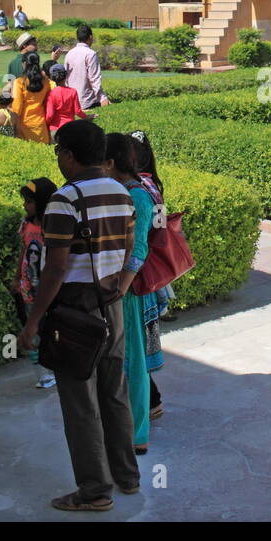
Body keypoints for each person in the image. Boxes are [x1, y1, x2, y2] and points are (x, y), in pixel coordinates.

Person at [19, 120, 139, 512]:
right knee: (114, 392)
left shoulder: (64, 199)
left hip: (74, 310)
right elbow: (129, 249)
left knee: (80, 403)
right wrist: (113, 284)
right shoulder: (121, 192)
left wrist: (33, 322)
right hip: (111, 303)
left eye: (58, 152)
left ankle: (94, 491)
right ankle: (127, 476)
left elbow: (55, 270)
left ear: (69, 155)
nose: (58, 159)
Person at [105, 133, 160, 455]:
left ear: (111, 162)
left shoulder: (136, 195)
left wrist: (119, 289)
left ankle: (137, 434)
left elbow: (138, 251)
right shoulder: (127, 190)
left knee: (133, 362)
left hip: (129, 292)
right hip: (124, 289)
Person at [129, 129, 169, 423]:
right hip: (151, 269)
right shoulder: (153, 183)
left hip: (140, 274)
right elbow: (160, 226)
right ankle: (150, 401)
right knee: (139, 343)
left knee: (136, 346)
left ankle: (150, 402)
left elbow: (141, 239)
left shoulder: (138, 189)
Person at [12, 177, 58, 389]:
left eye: (29, 201)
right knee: (32, 327)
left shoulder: (54, 225)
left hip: (49, 289)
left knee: (51, 328)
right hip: (28, 288)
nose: (25, 205)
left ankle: (54, 367)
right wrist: (17, 278)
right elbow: (23, 251)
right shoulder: (26, 225)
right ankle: (43, 373)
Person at [12, 53, 53, 143]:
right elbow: (48, 102)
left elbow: (17, 108)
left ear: (24, 64)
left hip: (24, 125)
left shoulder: (19, 82)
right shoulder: (46, 81)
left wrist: (16, 129)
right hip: (41, 125)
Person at [64, 25, 103, 112]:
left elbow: (65, 78)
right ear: (91, 37)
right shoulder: (91, 54)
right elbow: (94, 79)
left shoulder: (69, 54)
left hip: (71, 102)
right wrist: (102, 98)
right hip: (87, 102)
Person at [45, 64, 87, 135]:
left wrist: (45, 124)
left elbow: (50, 115)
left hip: (55, 129)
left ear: (52, 78)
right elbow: (78, 111)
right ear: (65, 75)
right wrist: (87, 117)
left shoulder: (50, 94)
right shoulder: (73, 91)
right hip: (70, 127)